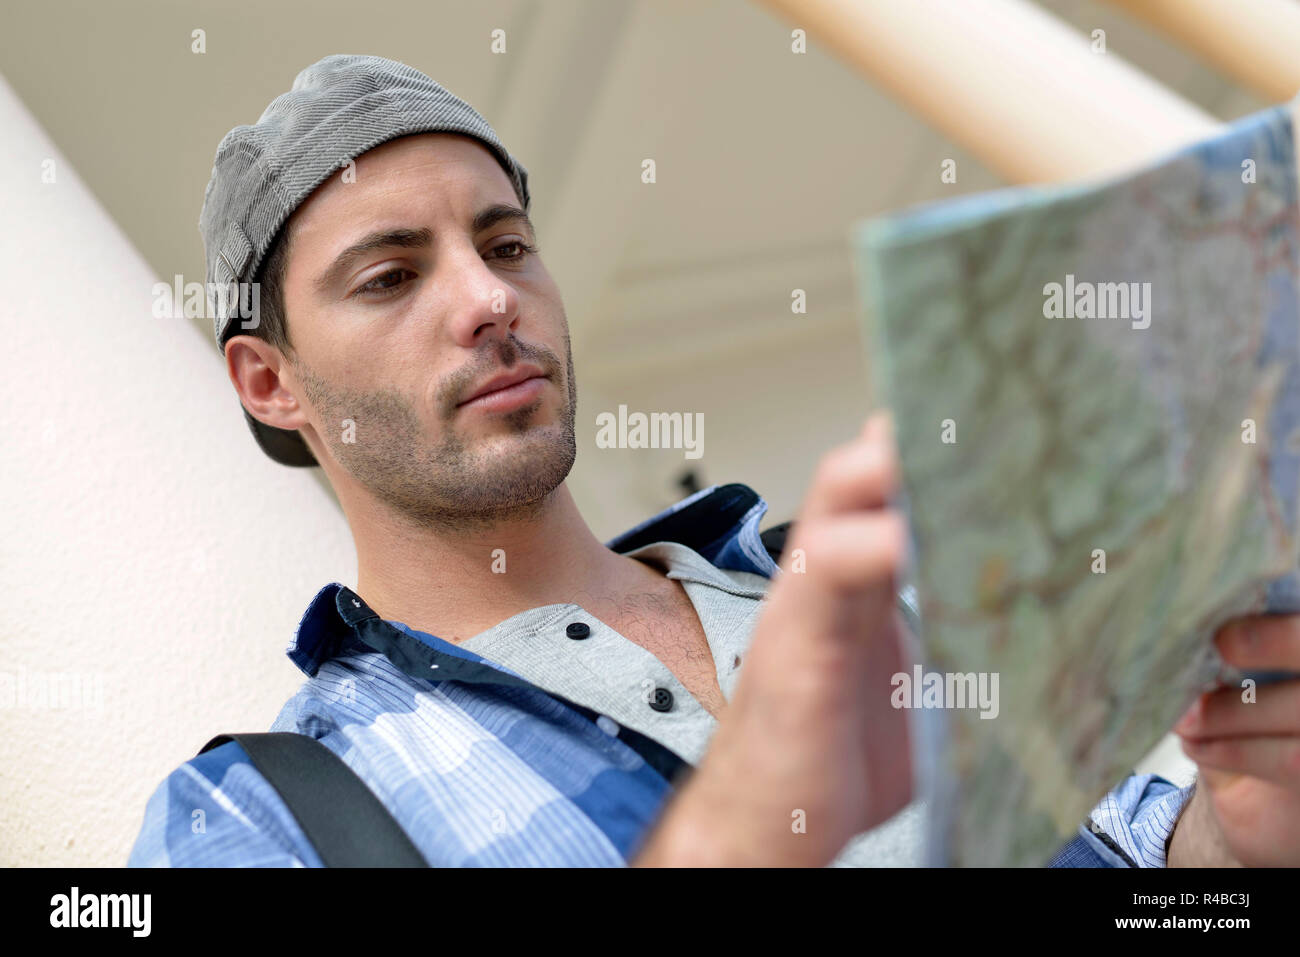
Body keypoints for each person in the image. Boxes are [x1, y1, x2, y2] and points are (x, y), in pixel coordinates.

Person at [128, 54, 1300, 867]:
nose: (489, 298)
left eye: (506, 243)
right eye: (391, 276)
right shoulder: (260, 818)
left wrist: (1234, 833)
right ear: (270, 383)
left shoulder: (884, 598)